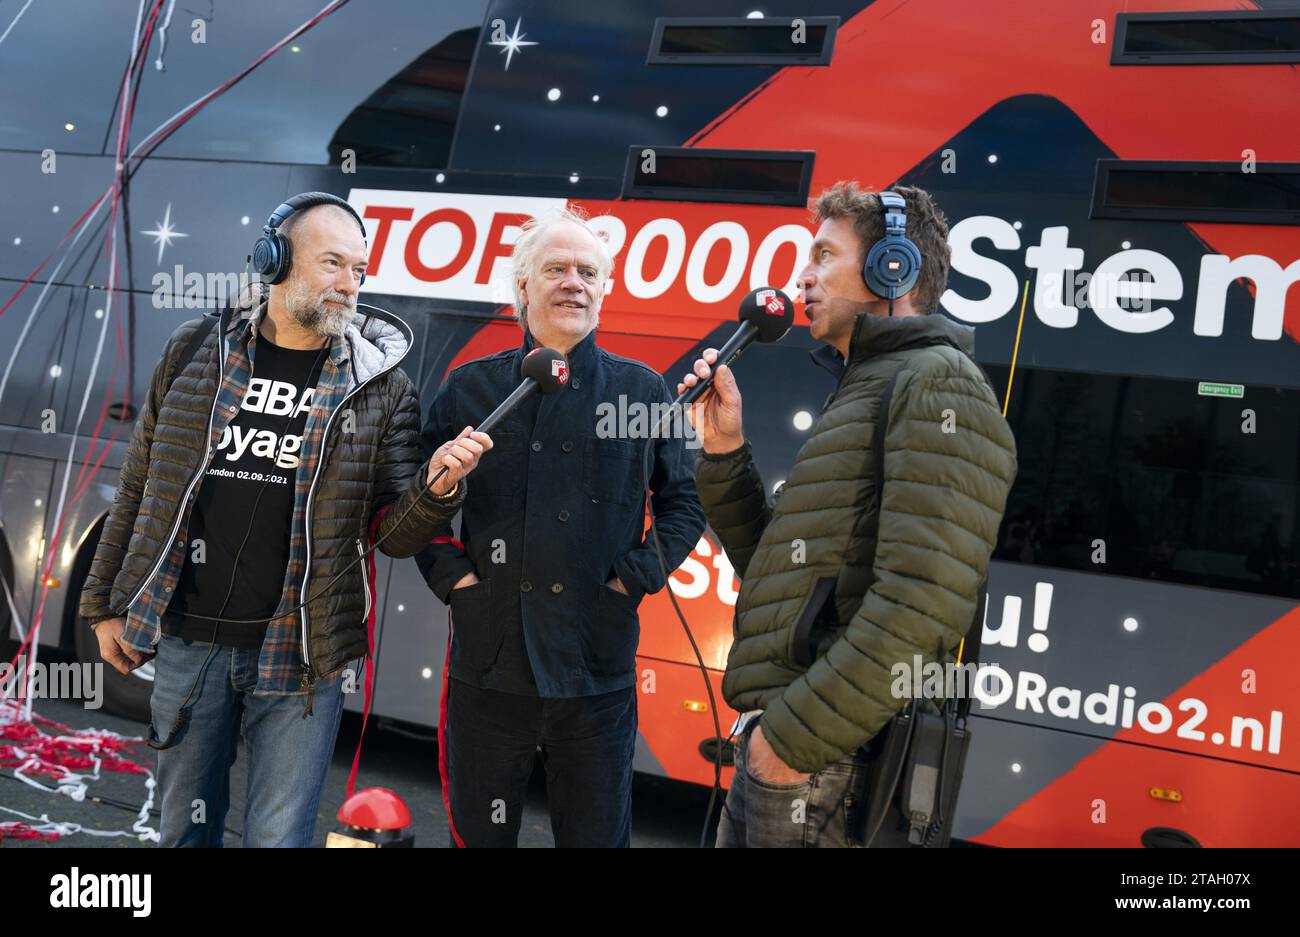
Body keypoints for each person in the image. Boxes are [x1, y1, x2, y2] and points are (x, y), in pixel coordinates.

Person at [79, 192, 491, 847]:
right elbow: (139, 485)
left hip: (303, 659)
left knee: (279, 838)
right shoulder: (194, 350)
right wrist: (102, 601)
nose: (350, 284)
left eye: (359, 269)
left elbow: (393, 534)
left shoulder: (382, 388)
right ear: (273, 261)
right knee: (183, 832)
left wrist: (437, 489)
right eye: (333, 263)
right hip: (189, 641)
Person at [679, 183, 1018, 847]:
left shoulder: (936, 380)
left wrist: (789, 741)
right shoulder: (866, 384)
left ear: (894, 266)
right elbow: (780, 577)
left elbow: (925, 599)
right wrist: (724, 450)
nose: (800, 276)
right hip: (782, 741)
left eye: (823, 255)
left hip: (818, 763)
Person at [418, 207, 706, 847]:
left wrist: (629, 584)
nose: (574, 282)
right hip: (489, 666)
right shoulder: (471, 388)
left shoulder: (642, 392)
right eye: (555, 269)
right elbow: (418, 501)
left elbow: (685, 502)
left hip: (594, 672)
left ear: (604, 288)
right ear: (523, 288)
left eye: (588, 271)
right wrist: (457, 581)